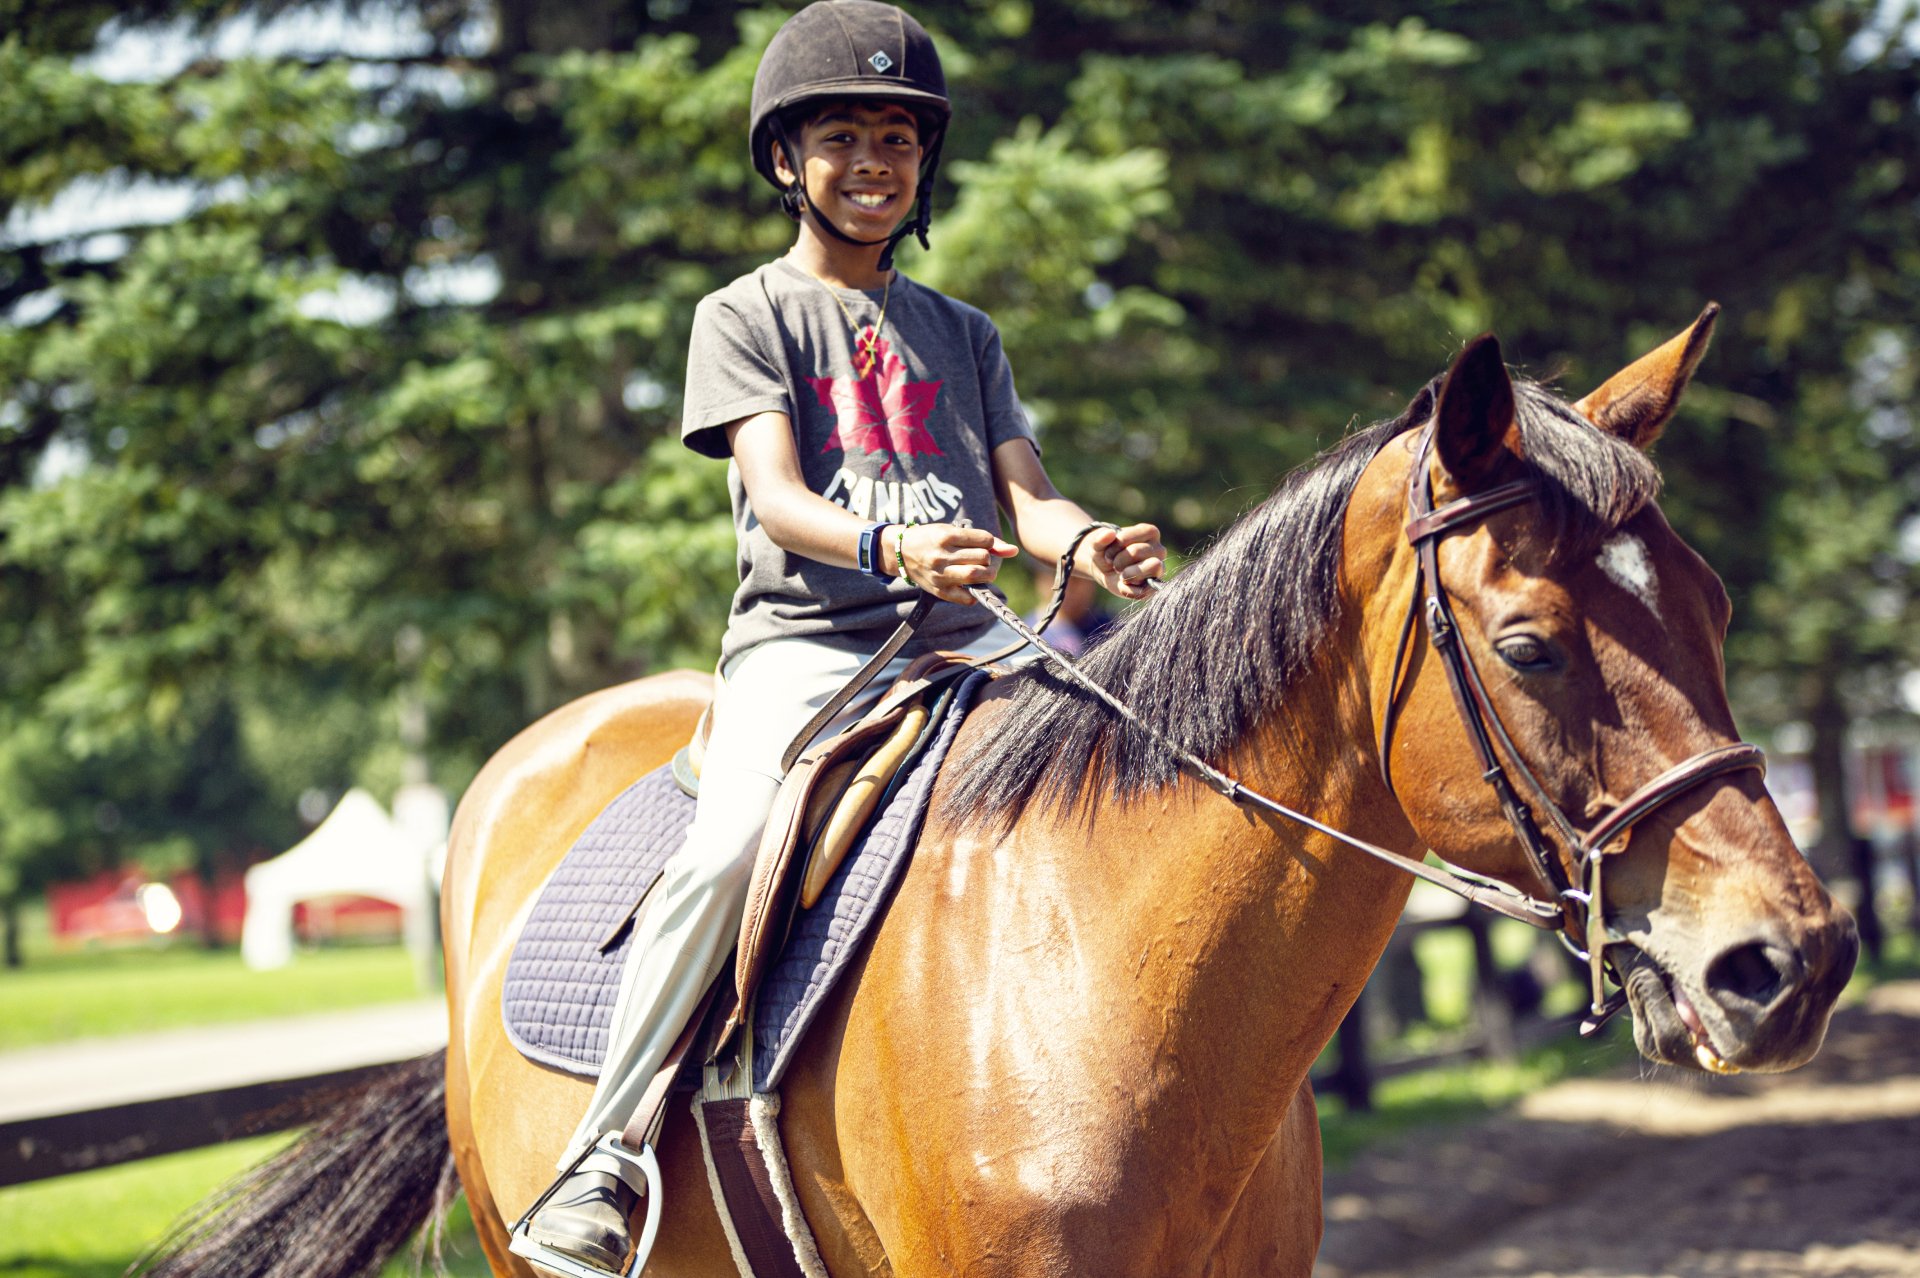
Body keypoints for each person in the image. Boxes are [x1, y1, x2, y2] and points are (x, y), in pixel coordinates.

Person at [521, 3, 1165, 1271]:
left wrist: (1086, 543)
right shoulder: (744, 314)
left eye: (897, 139)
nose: (874, 163)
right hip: (807, 646)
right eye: (843, 138)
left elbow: (1029, 497)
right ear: (786, 158)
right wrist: (892, 546)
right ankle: (602, 1156)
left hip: (974, 646)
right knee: (729, 850)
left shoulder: (965, 333)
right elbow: (776, 499)